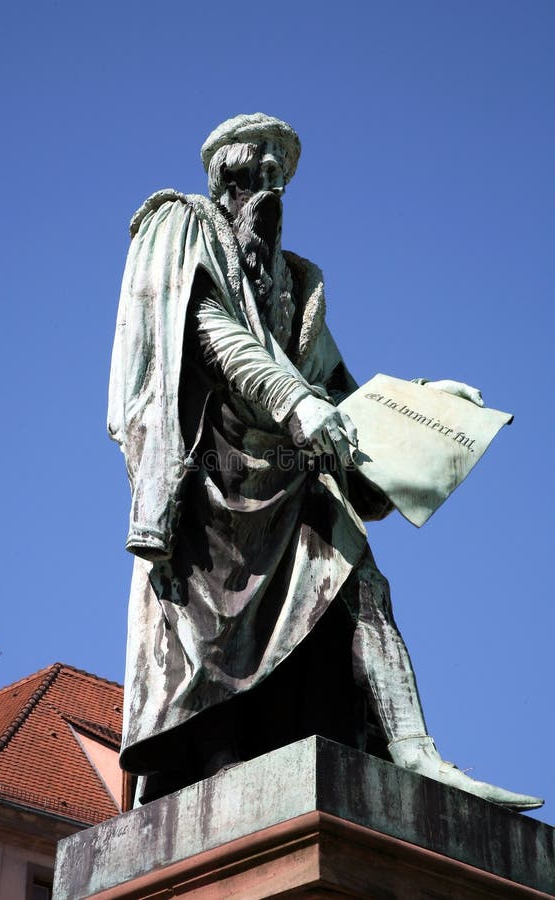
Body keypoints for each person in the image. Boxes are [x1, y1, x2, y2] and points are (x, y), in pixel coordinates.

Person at [108, 113, 542, 810]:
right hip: (212, 484)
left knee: (362, 581)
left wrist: (426, 403)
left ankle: (415, 751)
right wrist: (295, 404)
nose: (265, 189)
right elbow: (212, 332)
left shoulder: (295, 283)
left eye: (276, 176)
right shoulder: (185, 227)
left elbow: (339, 392)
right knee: (209, 643)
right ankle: (212, 759)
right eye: (252, 173)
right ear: (222, 180)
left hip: (292, 479)